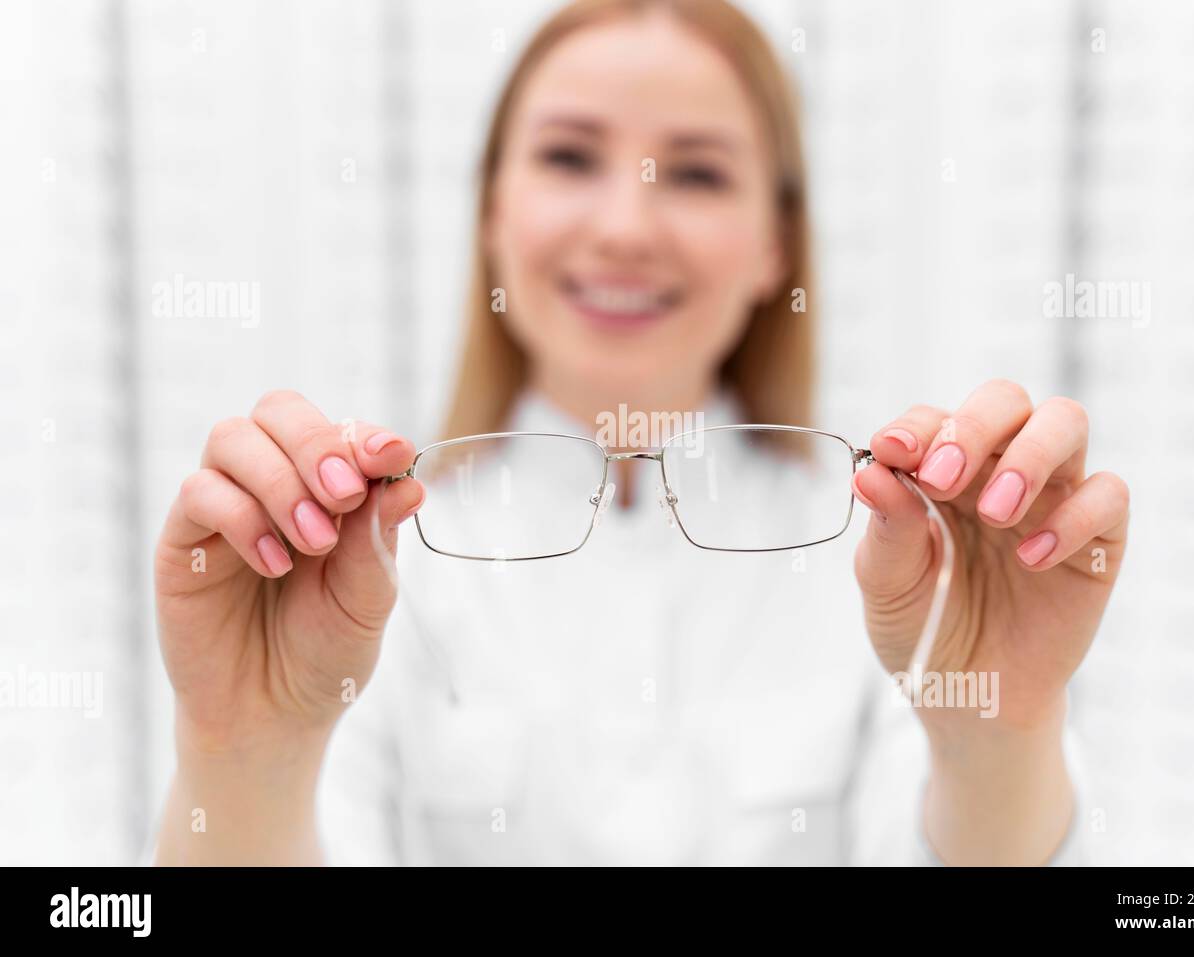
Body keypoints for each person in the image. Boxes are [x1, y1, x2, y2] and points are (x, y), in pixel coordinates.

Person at [151, 0, 1129, 866]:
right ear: (493, 210)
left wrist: (998, 730)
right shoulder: (353, 574)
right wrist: (243, 752)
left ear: (770, 245)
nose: (624, 226)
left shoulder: (902, 562)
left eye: (696, 174)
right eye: (570, 157)